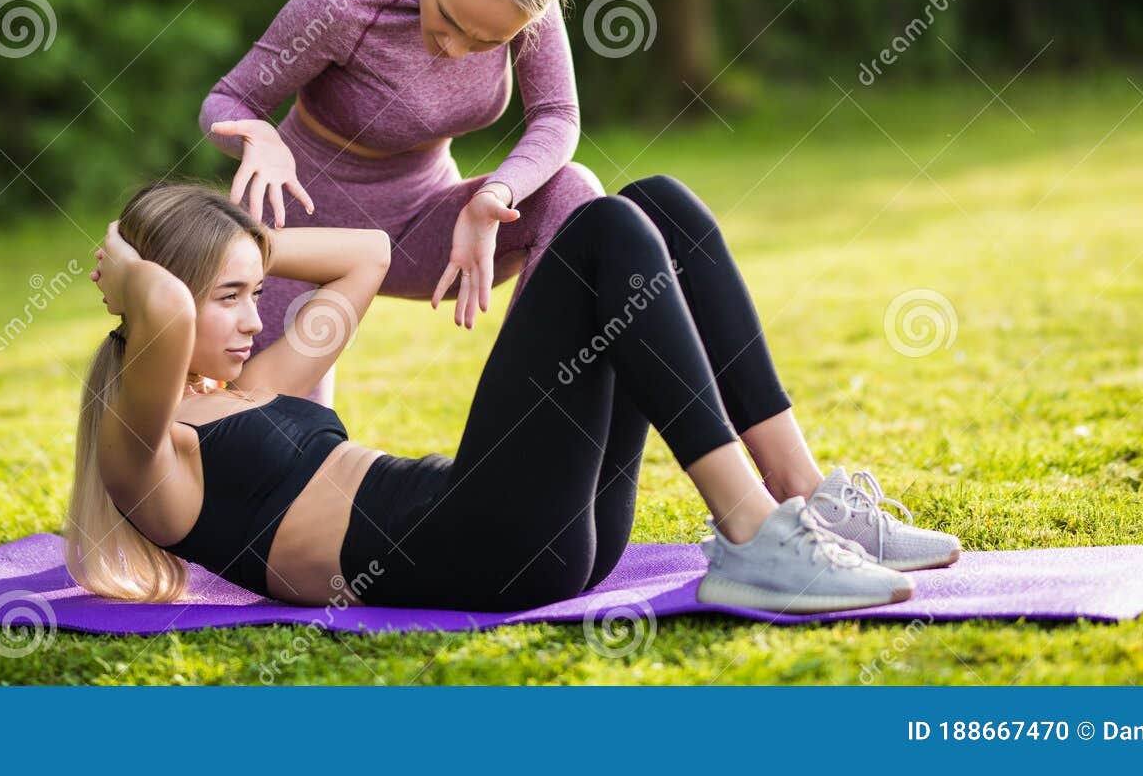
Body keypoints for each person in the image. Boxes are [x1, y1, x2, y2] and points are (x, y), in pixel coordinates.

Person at [65, 174, 961, 615]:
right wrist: (136, 268)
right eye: (232, 299)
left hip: (545, 531)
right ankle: (751, 531)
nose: (254, 319)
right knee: (603, 228)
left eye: (254, 294)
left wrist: (240, 242)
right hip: (482, 541)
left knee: (657, 206)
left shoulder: (255, 386)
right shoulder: (148, 452)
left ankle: (802, 500)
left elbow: (367, 256)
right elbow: (170, 309)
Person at [199, 0, 604, 410]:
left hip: (423, 229)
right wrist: (262, 139)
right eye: (450, 21)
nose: (460, 50)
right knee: (277, 434)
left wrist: (497, 194)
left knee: (575, 193)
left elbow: (557, 115)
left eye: (490, 42)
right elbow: (228, 100)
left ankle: (528, 416)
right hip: (299, 228)